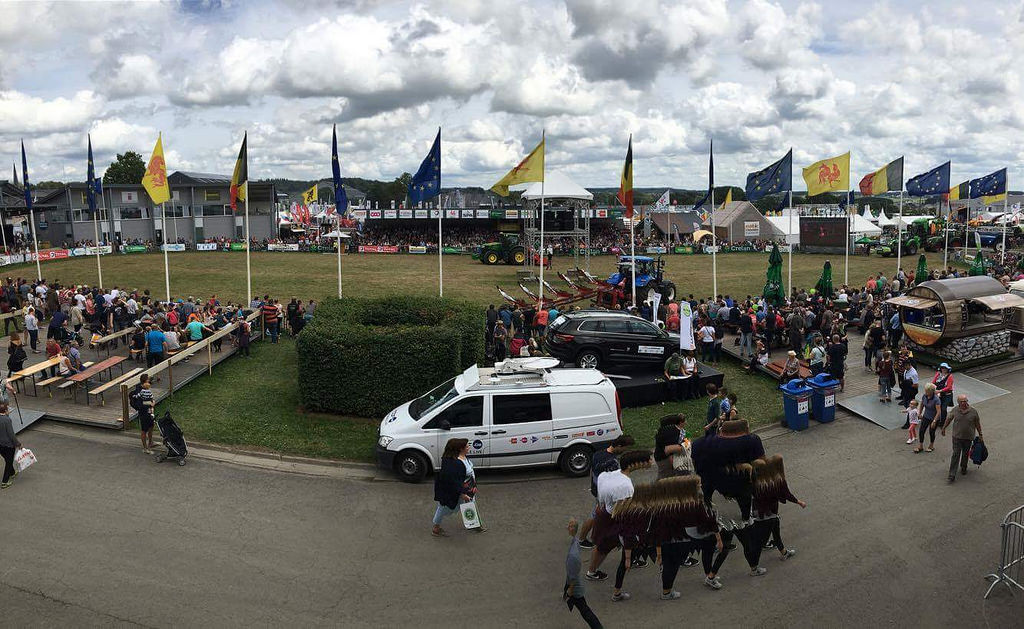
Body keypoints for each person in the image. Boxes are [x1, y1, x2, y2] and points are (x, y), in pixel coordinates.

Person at [578, 435, 635, 550]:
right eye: (625, 448)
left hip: (596, 489)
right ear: (619, 446)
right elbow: (615, 480)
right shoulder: (612, 462)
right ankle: (583, 539)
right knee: (596, 516)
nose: (625, 451)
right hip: (603, 494)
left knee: (598, 515)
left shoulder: (598, 454)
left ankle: (588, 538)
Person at [564, 517, 604, 629]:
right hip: (573, 581)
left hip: (575, 586)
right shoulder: (575, 542)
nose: (567, 527)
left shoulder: (573, 556)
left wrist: (570, 591)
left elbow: (572, 578)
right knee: (582, 607)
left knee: (584, 609)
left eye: (570, 526)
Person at [431, 438, 471, 537]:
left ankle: (473, 523)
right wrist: (462, 494)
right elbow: (453, 481)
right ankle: (436, 528)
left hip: (455, 489)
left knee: (467, 504)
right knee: (443, 507)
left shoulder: (452, 459)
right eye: (466, 446)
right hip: (451, 491)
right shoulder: (455, 463)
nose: (469, 447)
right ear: (460, 449)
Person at [941, 394, 983, 483]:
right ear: (958, 402)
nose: (964, 403)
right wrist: (944, 428)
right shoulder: (955, 410)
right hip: (957, 437)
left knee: (965, 453)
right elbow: (949, 419)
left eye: (965, 401)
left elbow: (977, 423)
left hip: (968, 437)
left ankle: (964, 467)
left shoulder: (973, 411)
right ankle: (952, 475)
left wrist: (980, 434)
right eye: (962, 401)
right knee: (956, 454)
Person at [654, 414, 687, 479]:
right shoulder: (671, 433)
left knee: (666, 477)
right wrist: (684, 446)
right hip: (664, 460)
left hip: (661, 458)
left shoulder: (664, 432)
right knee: (665, 478)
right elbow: (669, 451)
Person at [0, 402, 22, 489]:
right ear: (5, 411)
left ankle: (12, 472)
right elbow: (11, 434)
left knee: (7, 458)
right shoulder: (7, 420)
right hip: (8, 445)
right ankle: (4, 482)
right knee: (9, 462)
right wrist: (18, 444)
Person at [915, 383, 940, 453]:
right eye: (925, 391)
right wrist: (920, 413)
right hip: (926, 416)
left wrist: (934, 421)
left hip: (934, 418)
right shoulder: (924, 396)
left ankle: (931, 445)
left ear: (931, 391)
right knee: (922, 430)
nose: (925, 392)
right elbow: (922, 404)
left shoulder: (936, 399)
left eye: (927, 391)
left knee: (931, 432)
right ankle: (920, 446)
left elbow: (938, 412)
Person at [135, 375, 155, 453]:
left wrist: (152, 402)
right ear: (145, 381)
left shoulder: (146, 388)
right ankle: (145, 447)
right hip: (143, 412)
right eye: (148, 379)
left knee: (151, 426)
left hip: (149, 411)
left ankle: (150, 442)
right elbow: (140, 403)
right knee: (144, 430)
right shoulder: (139, 390)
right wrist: (151, 403)